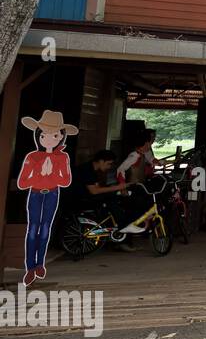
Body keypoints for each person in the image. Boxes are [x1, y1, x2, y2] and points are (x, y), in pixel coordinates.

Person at [16, 110, 77, 286]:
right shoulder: (32, 156)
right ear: (38, 136)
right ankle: (30, 267)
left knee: (45, 229)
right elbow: (22, 182)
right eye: (44, 134)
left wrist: (51, 174)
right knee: (33, 227)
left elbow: (65, 181)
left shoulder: (62, 157)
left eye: (55, 135)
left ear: (61, 137)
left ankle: (40, 264)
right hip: (35, 194)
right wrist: (40, 174)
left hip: (52, 193)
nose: (49, 139)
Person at [66, 150, 134, 249]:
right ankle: (123, 225)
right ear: (101, 161)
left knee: (112, 195)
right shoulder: (87, 170)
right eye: (108, 164)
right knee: (111, 199)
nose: (109, 167)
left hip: (84, 196)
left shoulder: (92, 169)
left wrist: (116, 188)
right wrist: (117, 187)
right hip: (78, 199)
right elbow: (94, 191)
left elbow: (98, 187)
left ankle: (116, 228)